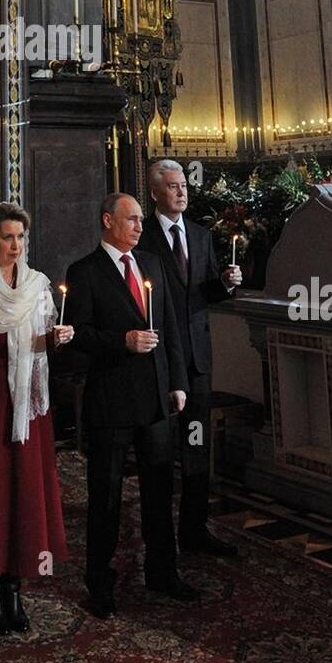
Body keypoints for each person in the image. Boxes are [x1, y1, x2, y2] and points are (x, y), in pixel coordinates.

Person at [65, 193, 194, 618]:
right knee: (105, 498)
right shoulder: (84, 272)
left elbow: (171, 327)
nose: (140, 226)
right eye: (132, 219)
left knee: (159, 493)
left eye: (141, 219)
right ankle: (99, 582)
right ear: (108, 220)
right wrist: (122, 341)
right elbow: (78, 335)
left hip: (156, 399)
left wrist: (177, 383)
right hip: (111, 403)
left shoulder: (153, 265)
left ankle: (163, 572)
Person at [0, 203, 72, 635]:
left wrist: (57, 338)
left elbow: (40, 344)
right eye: (7, 237)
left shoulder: (38, 285)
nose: (15, 245)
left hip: (27, 408)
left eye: (21, 237)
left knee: (23, 493)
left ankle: (15, 586)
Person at [139, 160, 242, 556]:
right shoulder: (143, 237)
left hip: (198, 360)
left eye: (184, 185)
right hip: (161, 360)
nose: (182, 192)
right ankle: (160, 542)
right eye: (172, 186)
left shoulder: (200, 236)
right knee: (161, 454)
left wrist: (226, 284)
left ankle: (195, 531)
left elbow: (204, 292)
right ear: (154, 194)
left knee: (197, 449)